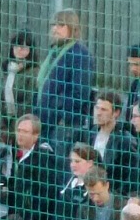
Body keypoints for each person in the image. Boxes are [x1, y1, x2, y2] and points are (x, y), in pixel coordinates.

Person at [0, 115, 61, 220]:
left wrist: (36, 219)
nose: (20, 135)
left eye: (25, 132)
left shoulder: (43, 157)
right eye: (19, 130)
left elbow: (47, 192)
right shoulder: (19, 153)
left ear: (36, 135)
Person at [35, 10, 95, 147]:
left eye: (61, 25)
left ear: (72, 28)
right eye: (53, 25)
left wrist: (56, 109)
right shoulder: (54, 52)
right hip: (45, 121)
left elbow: (80, 93)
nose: (55, 29)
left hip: (64, 125)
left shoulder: (80, 55)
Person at [0, 31, 39, 137]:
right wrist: (1, 126)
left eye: (24, 47)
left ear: (31, 50)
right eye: (16, 46)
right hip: (3, 123)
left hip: (23, 125)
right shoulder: (6, 69)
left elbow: (29, 102)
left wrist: (15, 126)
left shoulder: (34, 71)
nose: (19, 50)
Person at [85, 89, 134, 165]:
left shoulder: (125, 140)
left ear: (116, 113)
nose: (98, 113)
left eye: (103, 110)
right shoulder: (92, 132)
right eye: (97, 108)